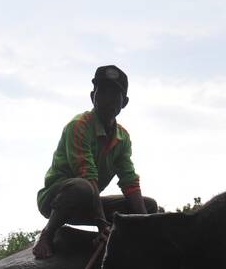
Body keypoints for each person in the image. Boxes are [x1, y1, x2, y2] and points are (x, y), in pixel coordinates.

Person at [33, 65, 158, 259]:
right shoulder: (79, 126)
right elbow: (87, 174)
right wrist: (102, 224)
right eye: (103, 92)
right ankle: (47, 234)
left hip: (89, 203)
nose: (108, 98)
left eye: (114, 94)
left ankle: (125, 245)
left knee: (149, 206)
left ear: (124, 102)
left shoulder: (122, 137)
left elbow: (129, 181)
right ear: (93, 96)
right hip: (59, 198)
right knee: (82, 187)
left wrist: (146, 222)